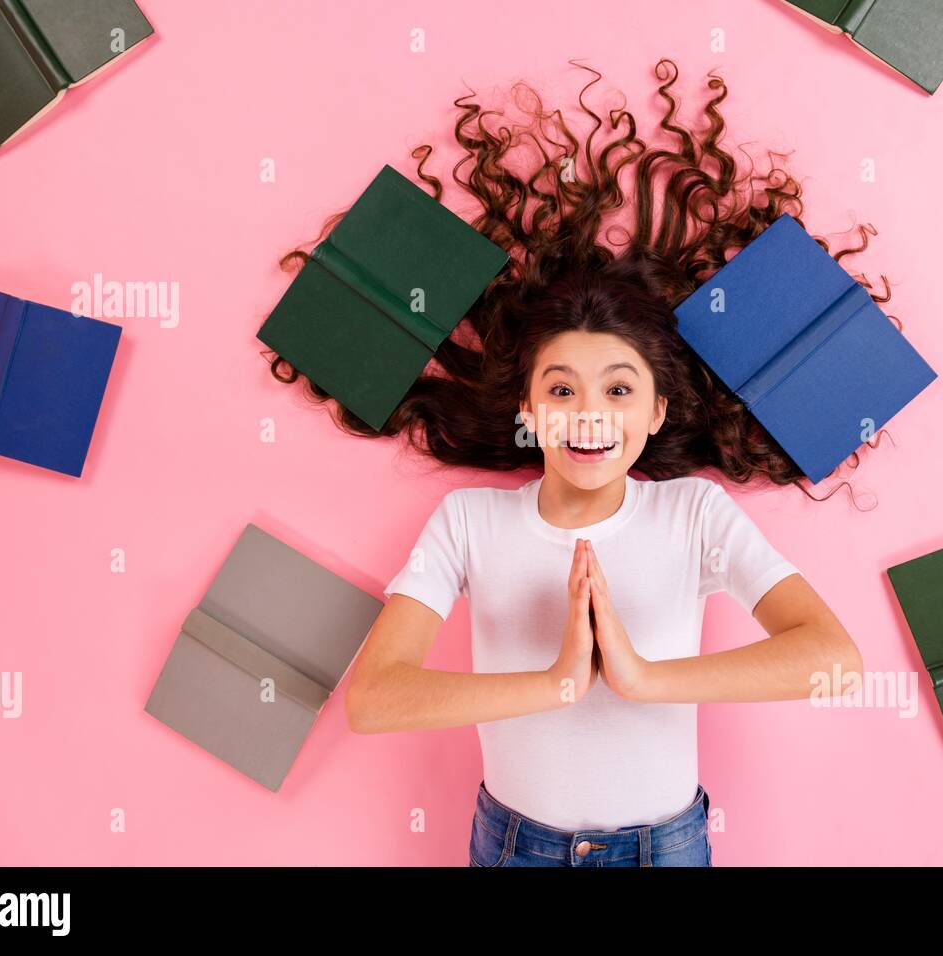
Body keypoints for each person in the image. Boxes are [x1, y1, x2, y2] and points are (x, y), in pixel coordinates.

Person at [267, 60, 869, 866]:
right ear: (528, 409)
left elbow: (834, 662)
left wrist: (642, 676)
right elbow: (374, 699)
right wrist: (555, 682)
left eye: (619, 389)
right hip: (515, 846)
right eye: (562, 387)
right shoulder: (469, 523)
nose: (589, 414)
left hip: (666, 847)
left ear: (656, 413)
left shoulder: (693, 514)